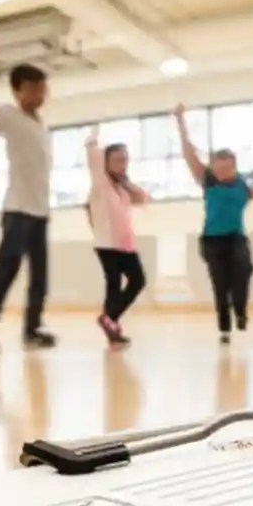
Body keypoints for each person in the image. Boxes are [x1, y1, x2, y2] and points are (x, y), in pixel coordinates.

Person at [0, 45, 56, 361]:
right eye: (33, 89)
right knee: (5, 270)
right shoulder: (9, 115)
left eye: (43, 88)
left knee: (40, 277)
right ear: (18, 92)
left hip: (40, 212)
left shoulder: (41, 124)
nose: (40, 94)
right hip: (18, 211)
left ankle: (32, 330)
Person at [173, 103, 253, 344]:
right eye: (218, 166)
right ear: (213, 166)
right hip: (212, 241)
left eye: (227, 166)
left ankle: (241, 311)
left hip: (236, 238)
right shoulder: (207, 181)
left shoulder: (242, 185)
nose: (222, 170)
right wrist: (181, 122)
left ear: (234, 166)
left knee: (244, 269)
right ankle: (224, 327)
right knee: (220, 283)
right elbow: (188, 154)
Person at [84, 124, 150, 346]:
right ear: (106, 162)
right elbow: (92, 153)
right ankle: (111, 324)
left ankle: (109, 320)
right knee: (114, 284)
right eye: (118, 159)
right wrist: (94, 131)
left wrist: (127, 182)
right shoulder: (101, 183)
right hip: (106, 244)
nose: (123, 163)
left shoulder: (122, 188)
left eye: (125, 159)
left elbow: (143, 199)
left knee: (137, 281)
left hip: (125, 245)